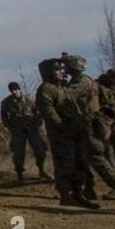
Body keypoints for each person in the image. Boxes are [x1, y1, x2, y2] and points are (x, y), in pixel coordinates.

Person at [35, 57, 98, 209]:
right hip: (60, 134)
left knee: (80, 164)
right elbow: (49, 112)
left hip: (75, 131)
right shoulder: (46, 89)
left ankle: (78, 193)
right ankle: (66, 195)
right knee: (65, 165)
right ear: (50, 73)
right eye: (58, 70)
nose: (63, 72)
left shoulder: (63, 88)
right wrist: (63, 126)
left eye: (63, 69)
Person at [60, 52, 115, 201]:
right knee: (83, 158)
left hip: (89, 124)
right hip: (84, 124)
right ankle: (89, 189)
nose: (64, 69)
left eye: (66, 66)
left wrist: (59, 86)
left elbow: (67, 96)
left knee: (95, 156)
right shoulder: (81, 80)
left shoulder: (81, 81)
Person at [0, 81, 51, 183]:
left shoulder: (29, 99)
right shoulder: (6, 102)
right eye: (12, 90)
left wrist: (37, 123)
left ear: (19, 89)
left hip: (32, 129)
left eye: (16, 89)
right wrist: (10, 126)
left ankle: (42, 170)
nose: (14, 92)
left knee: (40, 150)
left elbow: (38, 112)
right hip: (17, 131)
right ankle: (20, 174)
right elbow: (4, 116)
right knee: (18, 153)